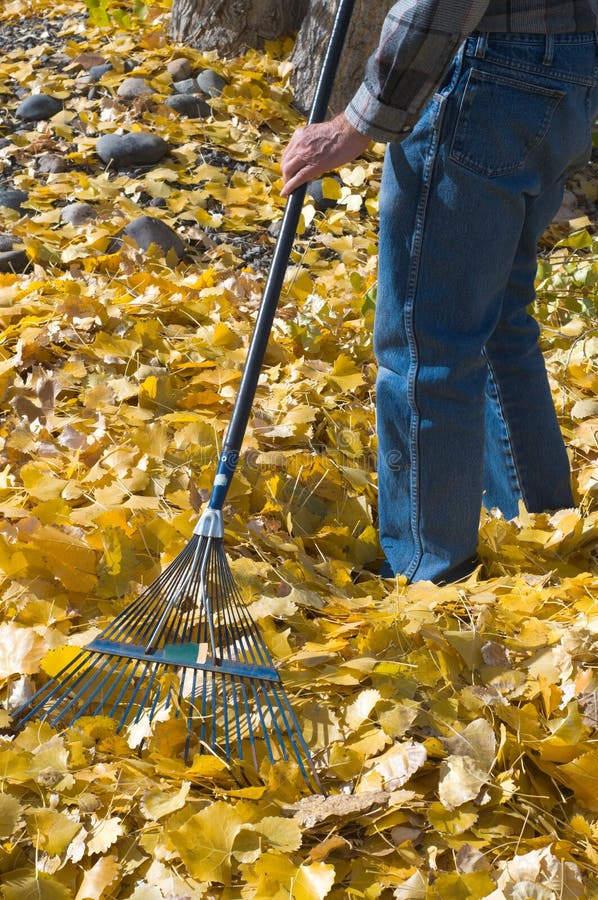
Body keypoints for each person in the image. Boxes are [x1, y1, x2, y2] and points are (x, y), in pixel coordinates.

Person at [281, 0, 598, 584]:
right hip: (569, 65)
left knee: (426, 337)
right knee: (497, 318)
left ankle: (427, 573)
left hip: (485, 71)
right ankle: (543, 533)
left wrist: (354, 124)